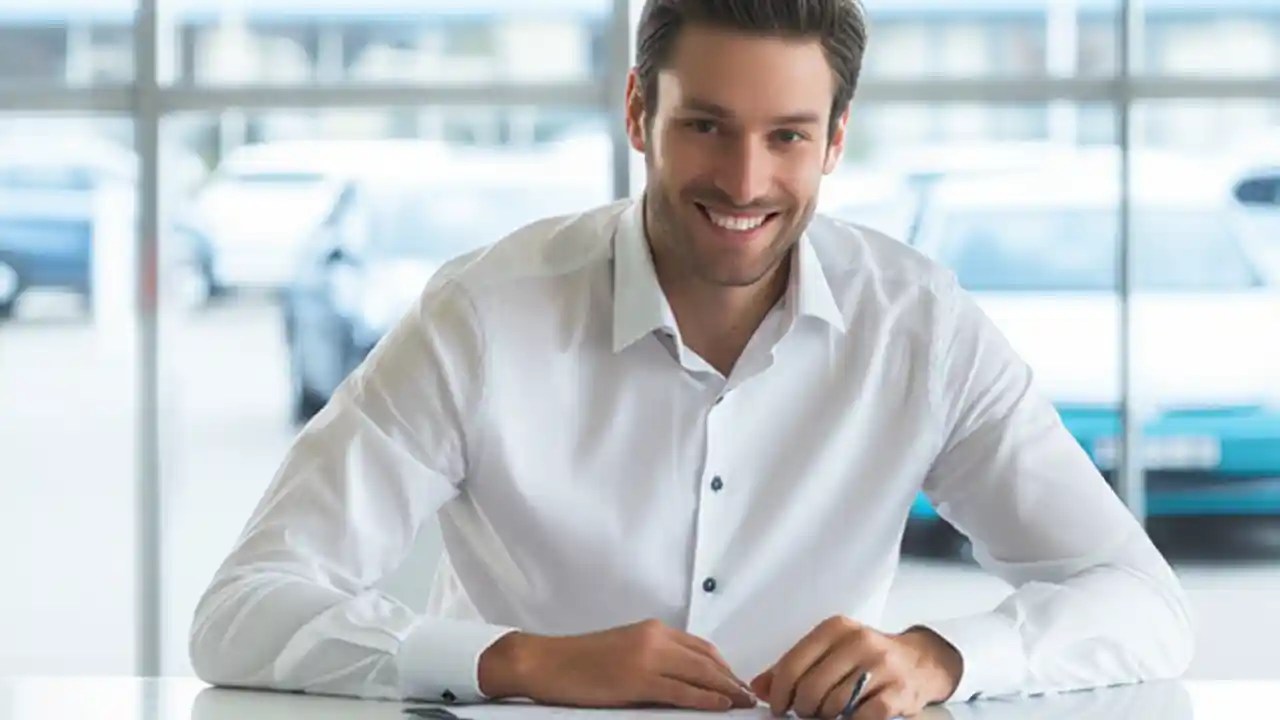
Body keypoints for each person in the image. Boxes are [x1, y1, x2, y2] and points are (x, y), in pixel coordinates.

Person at [189, 1, 1195, 718]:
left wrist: (939, 658)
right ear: (638, 112)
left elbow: (1140, 602)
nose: (744, 181)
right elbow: (244, 610)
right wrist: (523, 662)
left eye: (787, 136)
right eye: (706, 126)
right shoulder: (483, 316)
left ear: (835, 140)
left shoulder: (919, 327)